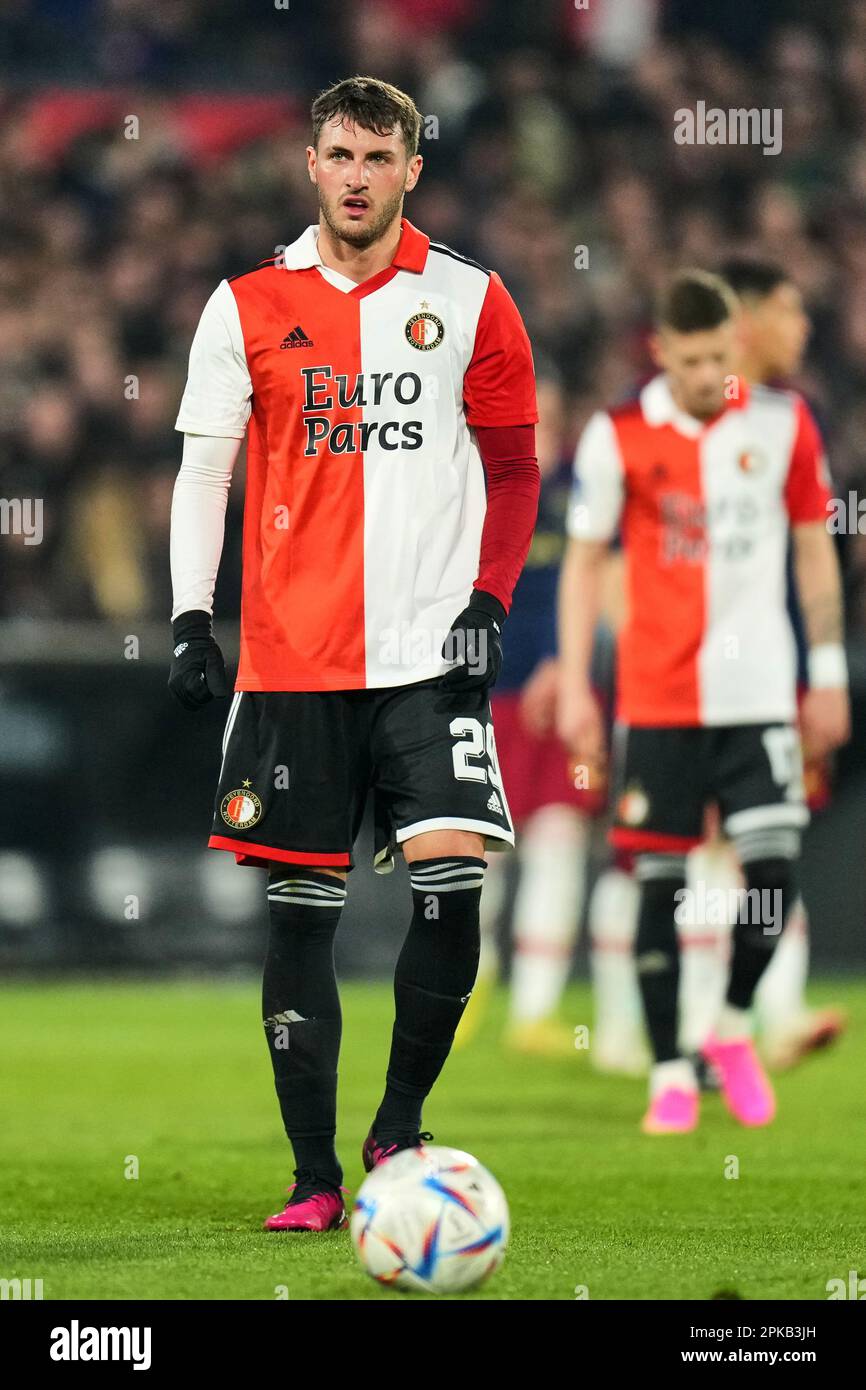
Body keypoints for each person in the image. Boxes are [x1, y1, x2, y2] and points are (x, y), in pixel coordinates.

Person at [168, 76, 539, 1228]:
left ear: (411, 170)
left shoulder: (471, 299)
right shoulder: (244, 304)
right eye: (339, 155)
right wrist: (189, 616)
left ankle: (399, 1122)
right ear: (311, 163)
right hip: (295, 662)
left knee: (452, 881)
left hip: (430, 652)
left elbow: (514, 469)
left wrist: (489, 597)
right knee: (299, 915)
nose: (357, 177)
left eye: (379, 158)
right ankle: (314, 1177)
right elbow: (205, 471)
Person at [558, 270, 849, 1134]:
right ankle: (669, 1075)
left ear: (736, 346)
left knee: (772, 875)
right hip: (657, 699)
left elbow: (815, 548)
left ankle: (729, 1027)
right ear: (660, 352)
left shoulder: (784, 422)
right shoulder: (617, 434)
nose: (705, 377)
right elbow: (584, 562)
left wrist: (828, 672)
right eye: (689, 362)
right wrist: (576, 683)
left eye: (718, 358)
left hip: (758, 690)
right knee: (661, 888)